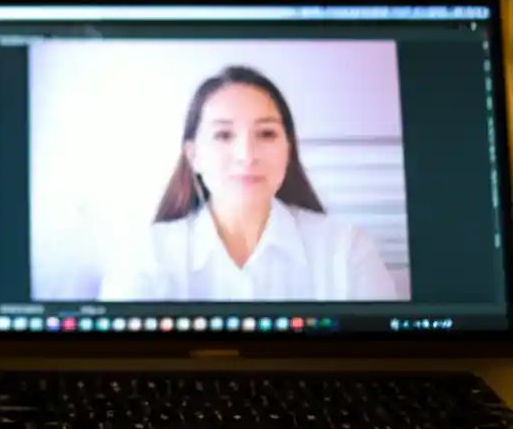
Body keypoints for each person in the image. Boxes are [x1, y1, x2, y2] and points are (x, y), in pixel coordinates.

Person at [97, 65, 401, 302]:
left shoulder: (346, 251)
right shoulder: (146, 255)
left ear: (289, 149)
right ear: (194, 156)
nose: (246, 155)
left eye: (266, 134)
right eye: (223, 135)